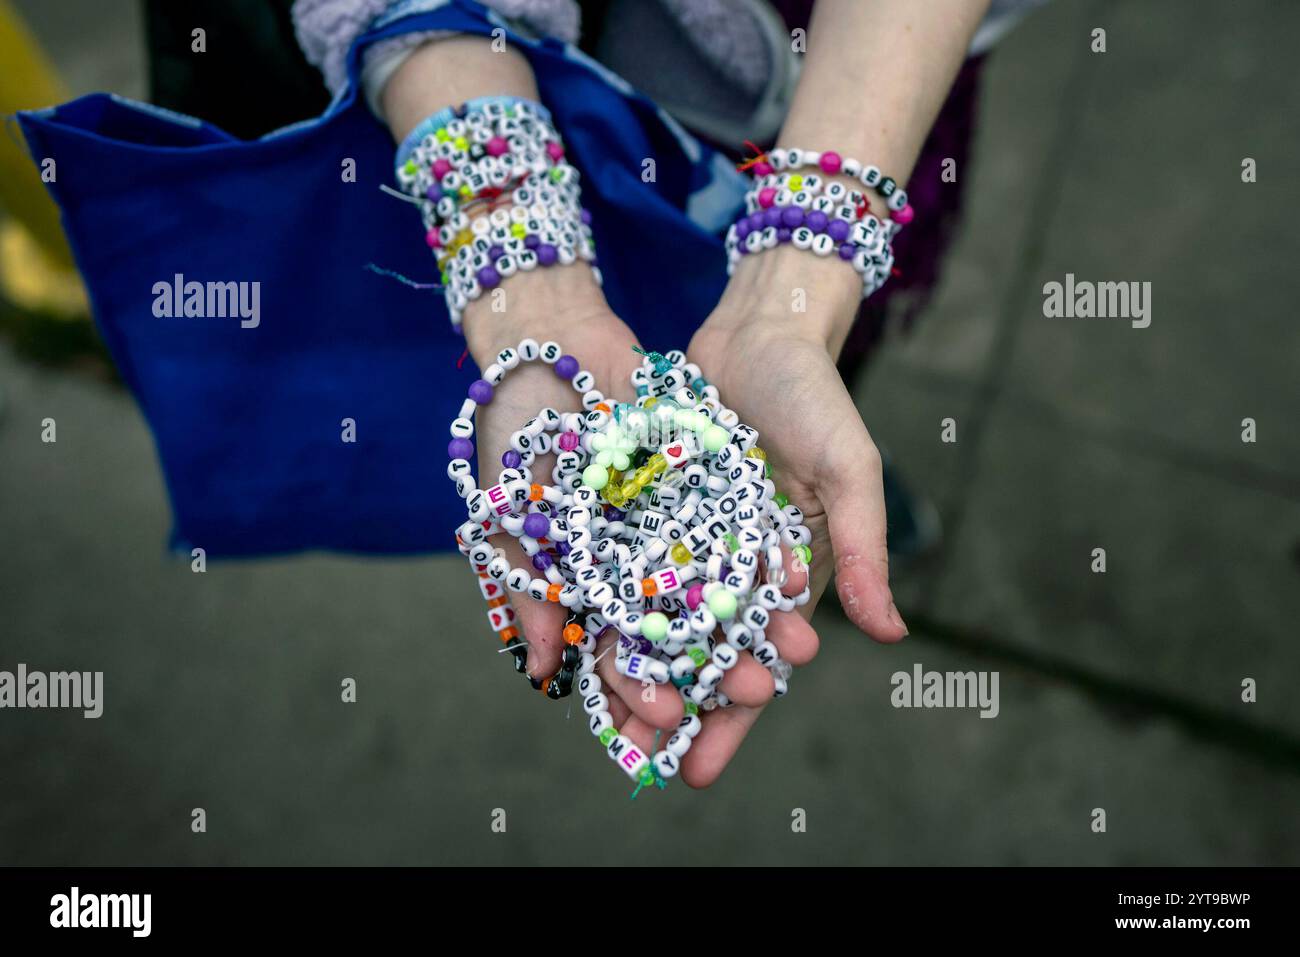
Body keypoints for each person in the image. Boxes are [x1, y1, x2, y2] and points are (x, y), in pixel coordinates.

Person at [290, 0, 1037, 786]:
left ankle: (847, 442)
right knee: (729, 348)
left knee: (833, 367)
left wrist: (796, 290)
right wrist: (525, 277)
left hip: (881, 101)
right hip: (616, 103)